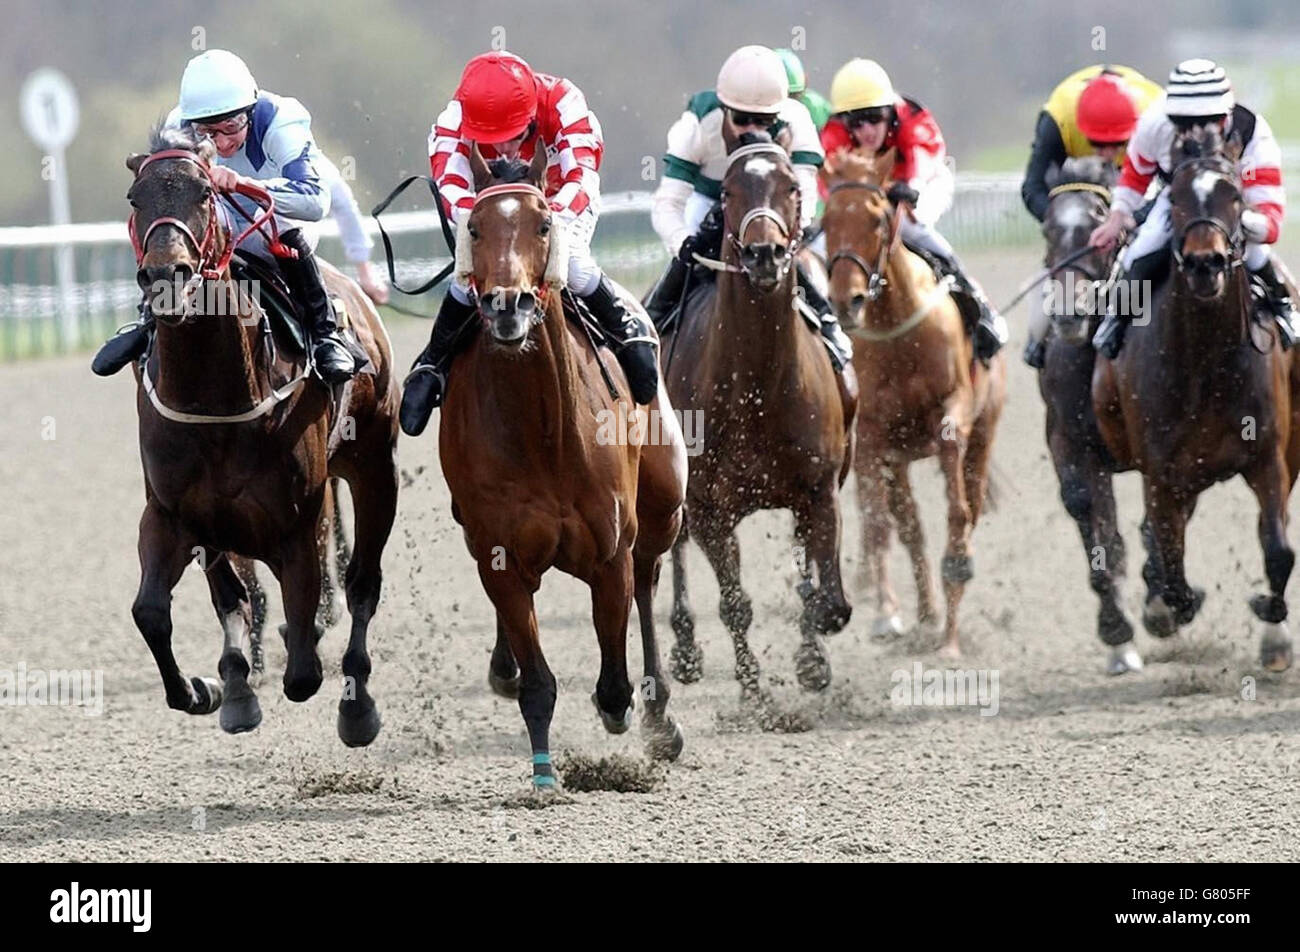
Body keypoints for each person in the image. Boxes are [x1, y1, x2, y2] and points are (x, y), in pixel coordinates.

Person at [398, 51, 658, 437]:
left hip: (556, 205)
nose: (502, 150)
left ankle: (624, 329)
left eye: (513, 137)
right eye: (489, 141)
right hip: (489, 216)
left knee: (572, 267)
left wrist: (538, 220)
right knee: (470, 277)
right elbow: (454, 196)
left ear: (532, 117)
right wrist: (501, 229)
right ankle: (432, 362)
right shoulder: (451, 123)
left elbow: (581, 179)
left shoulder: (564, 102)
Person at [93, 49, 355, 382]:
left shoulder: (281, 120)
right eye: (207, 132)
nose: (222, 141)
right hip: (214, 221)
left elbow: (314, 201)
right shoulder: (180, 126)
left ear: (250, 109)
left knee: (285, 232)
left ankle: (324, 334)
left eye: (231, 127)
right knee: (171, 238)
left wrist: (247, 185)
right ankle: (148, 321)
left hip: (273, 218)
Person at [642, 45, 852, 372]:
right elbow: (667, 203)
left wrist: (792, 234)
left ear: (780, 113)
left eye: (765, 121)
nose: (753, 130)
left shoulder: (796, 120)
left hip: (769, 201)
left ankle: (829, 327)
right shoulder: (697, 122)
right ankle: (649, 330)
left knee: (790, 259)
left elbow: (804, 193)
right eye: (742, 119)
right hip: (709, 199)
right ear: (725, 109)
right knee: (683, 261)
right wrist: (683, 241)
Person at [1090, 59, 1297, 357]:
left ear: (1226, 114)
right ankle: (1116, 319)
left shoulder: (1252, 134)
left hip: (1230, 201)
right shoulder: (1154, 124)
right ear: (1170, 115)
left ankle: (1284, 309)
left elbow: (1270, 220)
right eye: (1184, 122)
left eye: (1209, 119)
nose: (1196, 130)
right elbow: (1135, 176)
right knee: (1142, 249)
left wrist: (1242, 223)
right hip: (1181, 194)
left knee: (1256, 253)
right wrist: (1117, 217)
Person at [821, 58, 1007, 363]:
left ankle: (981, 307)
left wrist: (910, 187)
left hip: (924, 179)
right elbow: (830, 180)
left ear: (889, 113)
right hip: (876, 192)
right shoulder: (834, 133)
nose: (866, 130)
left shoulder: (910, 117)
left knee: (913, 228)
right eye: (856, 122)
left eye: (873, 118)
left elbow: (922, 157)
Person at [1020, 65, 1161, 367]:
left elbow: (1170, 188)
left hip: (1138, 184)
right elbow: (1032, 187)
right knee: (1069, 251)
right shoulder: (1058, 118)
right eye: (1097, 144)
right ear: (1082, 130)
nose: (1107, 153)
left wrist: (1131, 220)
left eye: (1117, 144)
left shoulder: (1156, 116)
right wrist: (1066, 224)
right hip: (1080, 191)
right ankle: (1038, 338)